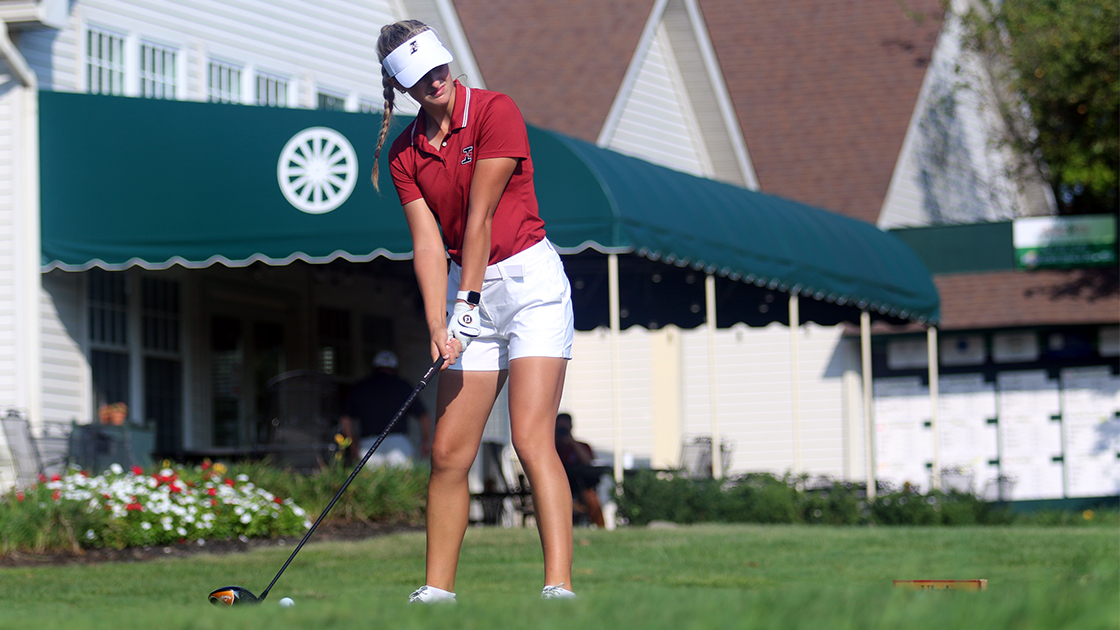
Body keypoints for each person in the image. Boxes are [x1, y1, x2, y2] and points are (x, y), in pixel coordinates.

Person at [372, 20, 577, 603]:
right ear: (401, 85)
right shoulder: (405, 154)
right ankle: (437, 592)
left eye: (438, 66)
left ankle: (557, 587)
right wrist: (439, 323)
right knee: (447, 452)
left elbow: (481, 217)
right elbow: (430, 244)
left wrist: (467, 301)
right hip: (468, 286)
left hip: (529, 282)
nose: (435, 80)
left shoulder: (495, 111)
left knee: (530, 438)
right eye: (419, 76)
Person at [340, 350, 432, 466]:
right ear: (395, 368)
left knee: (371, 483)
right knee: (402, 482)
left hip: (369, 443)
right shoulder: (403, 386)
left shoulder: (360, 387)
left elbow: (346, 419)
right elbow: (423, 416)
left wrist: (353, 446)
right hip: (399, 442)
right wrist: (425, 442)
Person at [555, 413, 606, 529]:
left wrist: (571, 442)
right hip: (558, 485)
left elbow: (588, 462)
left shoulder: (582, 446)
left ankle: (601, 528)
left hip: (580, 486)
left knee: (591, 497)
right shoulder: (551, 447)